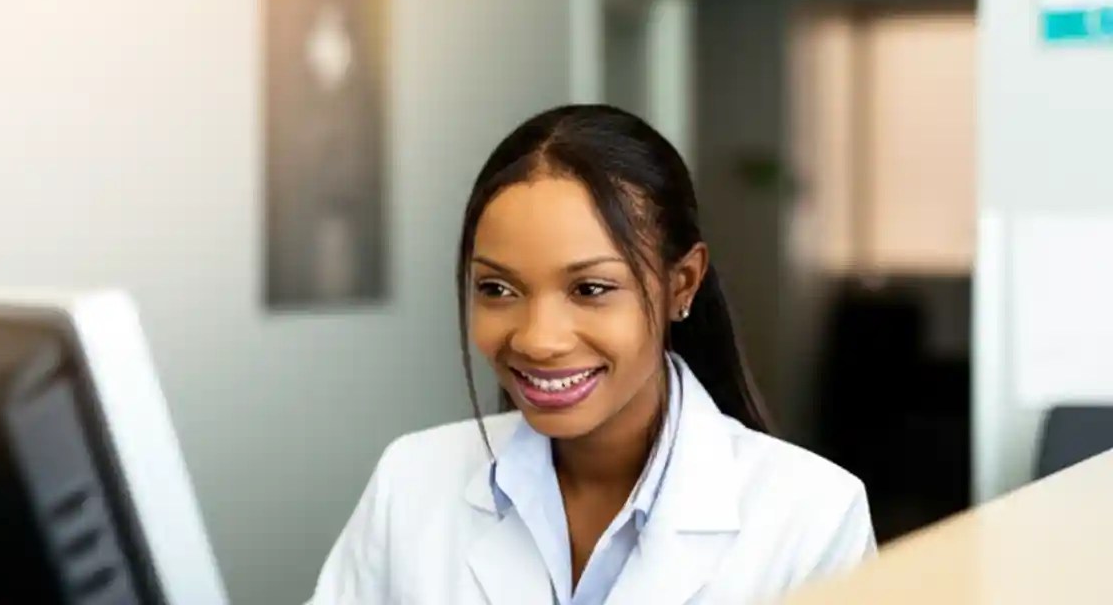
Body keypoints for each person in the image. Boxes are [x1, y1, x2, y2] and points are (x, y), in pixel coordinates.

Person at [308, 105, 875, 604]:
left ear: (682, 283)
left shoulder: (813, 516)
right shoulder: (411, 480)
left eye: (590, 290)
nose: (537, 339)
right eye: (497, 289)